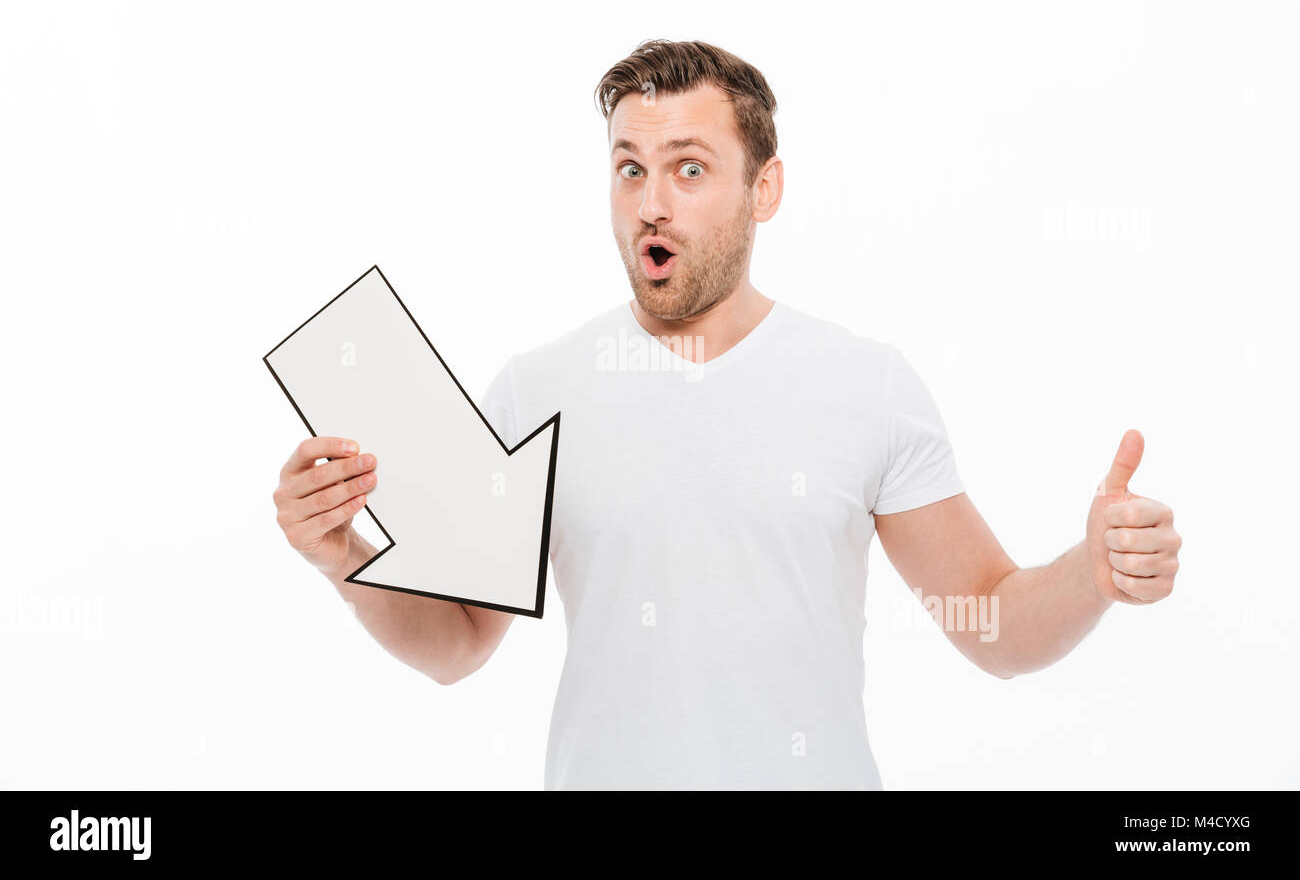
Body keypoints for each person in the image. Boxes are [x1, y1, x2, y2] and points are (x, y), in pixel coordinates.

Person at [271, 39, 1183, 790]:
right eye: (630, 170)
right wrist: (341, 554)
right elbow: (455, 644)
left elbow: (991, 622)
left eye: (689, 169)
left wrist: (1089, 574)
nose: (651, 204)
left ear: (765, 190)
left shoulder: (865, 386)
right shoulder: (537, 389)